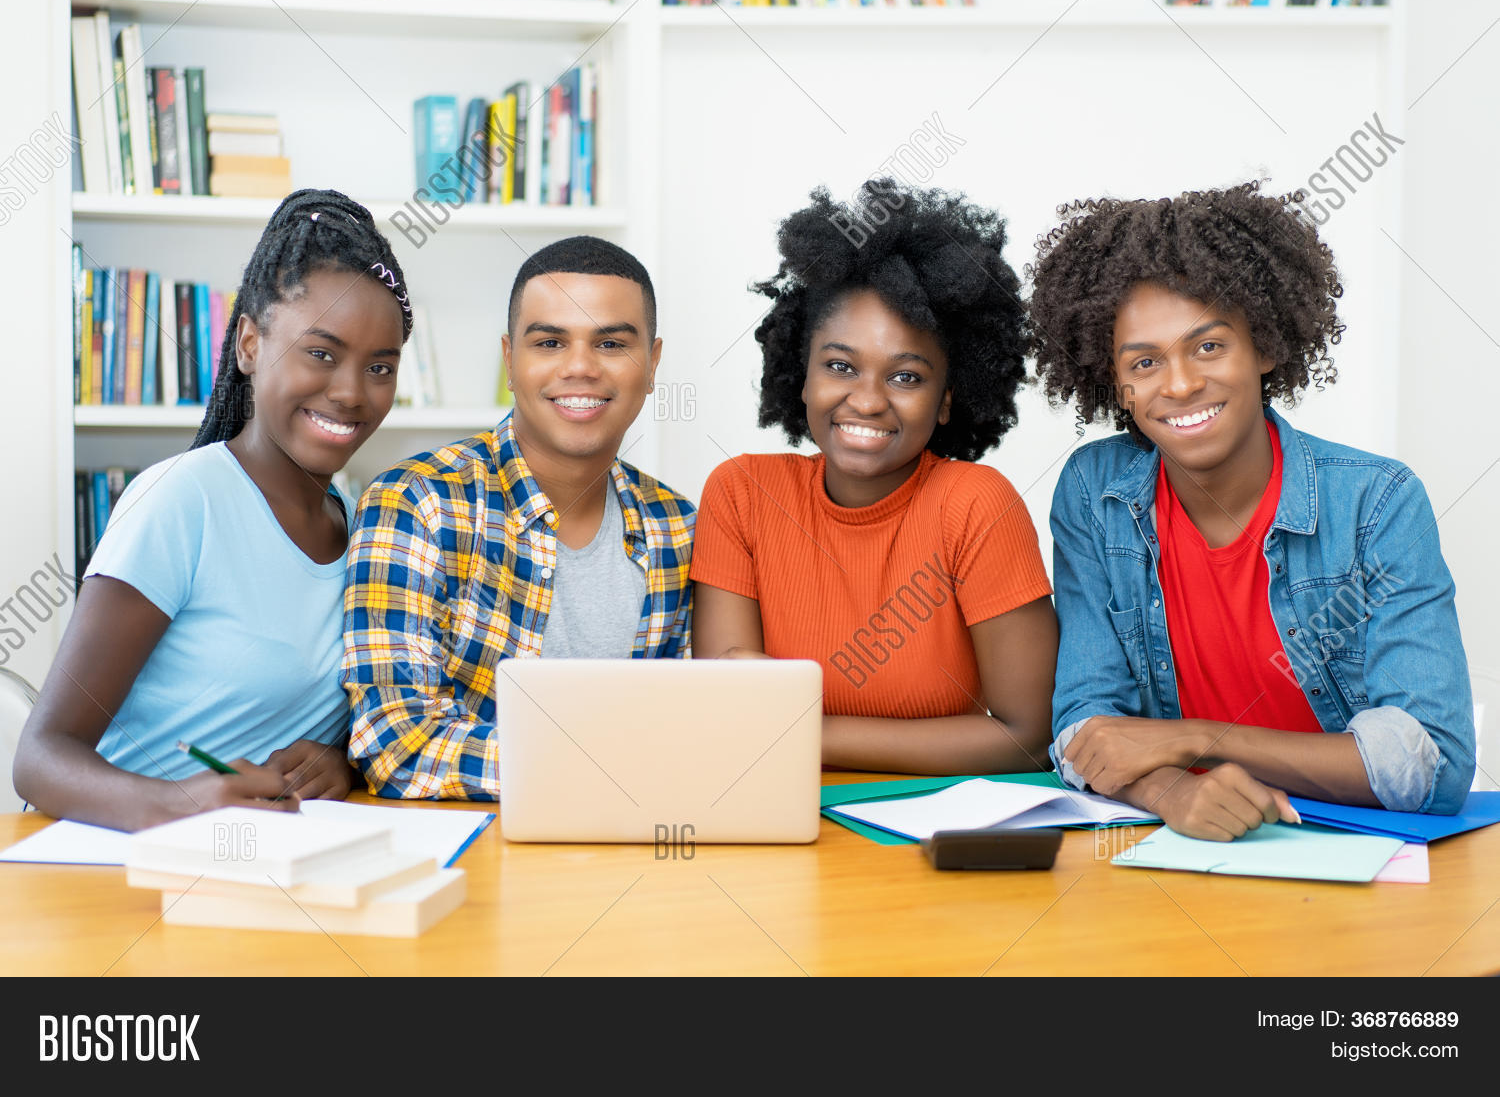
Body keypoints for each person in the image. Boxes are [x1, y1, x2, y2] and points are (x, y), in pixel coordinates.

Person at [1029, 181, 1476, 841]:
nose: (1179, 384)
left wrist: (1196, 742)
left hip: (1355, 857)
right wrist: (1172, 792)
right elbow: (1085, 726)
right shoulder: (1096, 496)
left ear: (1264, 346)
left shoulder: (1375, 502)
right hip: (1185, 848)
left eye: (1209, 347)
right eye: (1145, 362)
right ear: (1114, 383)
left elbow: (1429, 764)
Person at [14, 189, 412, 830]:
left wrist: (340, 762)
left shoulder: (365, 526)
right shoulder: (180, 503)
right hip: (123, 875)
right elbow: (40, 758)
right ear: (250, 344)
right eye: (321, 353)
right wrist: (181, 806)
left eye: (381, 366)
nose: (351, 391)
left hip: (269, 874)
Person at [690, 180, 1058, 775]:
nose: (866, 401)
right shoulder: (743, 494)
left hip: (936, 829)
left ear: (946, 400)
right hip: (781, 815)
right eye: (840, 366)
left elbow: (1027, 736)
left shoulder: (975, 505)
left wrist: (807, 735)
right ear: (801, 375)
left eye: (906, 377)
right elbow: (730, 713)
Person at [343, 235, 694, 799]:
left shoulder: (679, 527)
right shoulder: (415, 503)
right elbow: (397, 741)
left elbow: (701, 724)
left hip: (637, 842)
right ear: (510, 360)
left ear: (652, 364)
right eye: (550, 342)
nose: (580, 368)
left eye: (610, 344)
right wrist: (604, 769)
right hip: (474, 856)